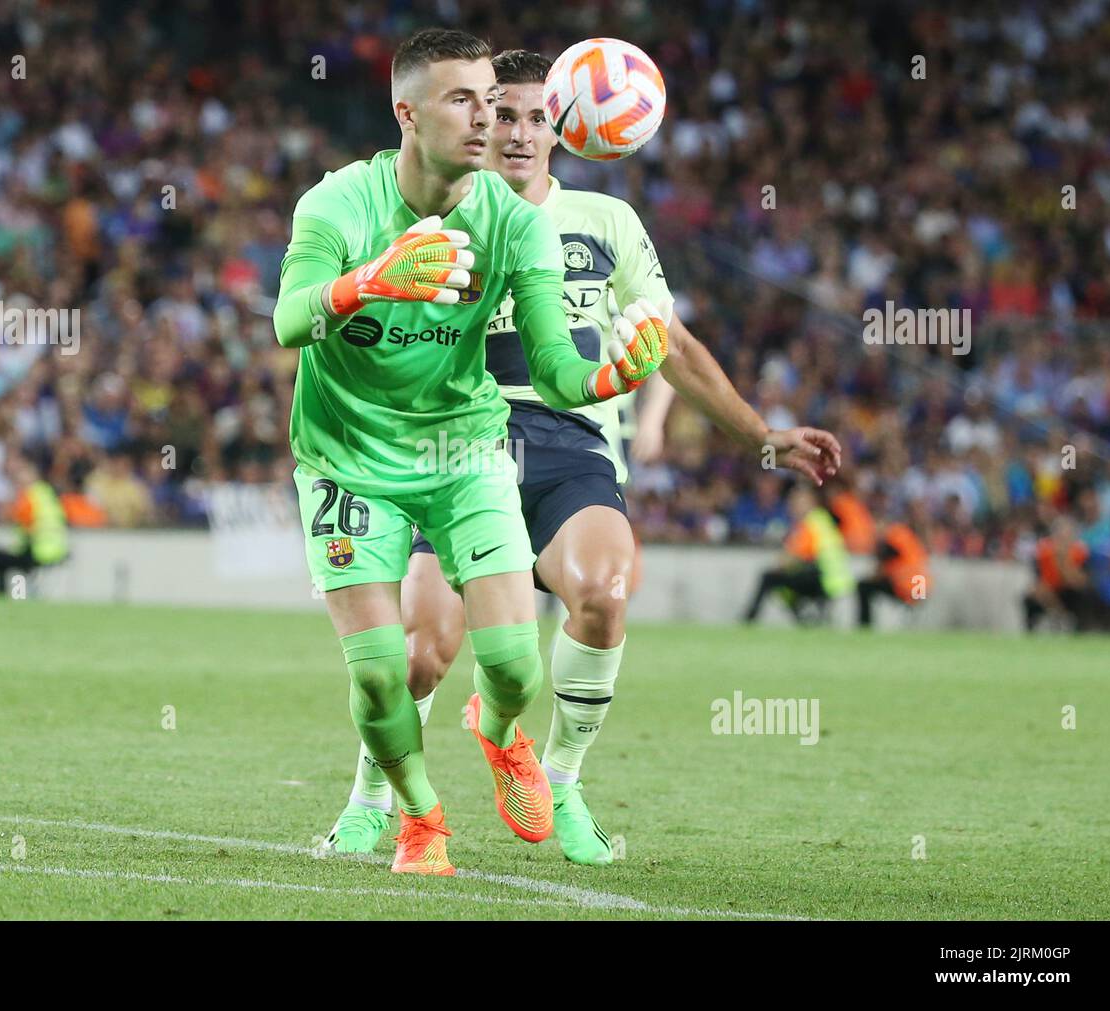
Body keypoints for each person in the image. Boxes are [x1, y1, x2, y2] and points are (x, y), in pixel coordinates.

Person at [319, 49, 840, 866]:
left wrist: (759, 435)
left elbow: (670, 343)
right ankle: (372, 795)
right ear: (477, 121)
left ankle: (559, 778)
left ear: (563, 125)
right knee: (420, 652)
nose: (521, 133)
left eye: (538, 117)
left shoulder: (607, 224)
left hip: (570, 446)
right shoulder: (428, 216)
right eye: (505, 115)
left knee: (605, 587)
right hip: (454, 448)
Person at [273, 29, 671, 876]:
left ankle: (508, 739)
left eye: (502, 104)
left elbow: (561, 368)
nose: (495, 123)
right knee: (393, 667)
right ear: (406, 112)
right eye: (472, 102)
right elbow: (285, 321)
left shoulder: (528, 226)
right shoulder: (339, 204)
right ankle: (409, 810)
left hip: (470, 449)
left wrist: (611, 377)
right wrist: (370, 281)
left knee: (517, 661)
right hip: (348, 457)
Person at [744, 486, 852, 624]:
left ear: (812, 502)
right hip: (834, 579)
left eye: (798, 502)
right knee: (780, 581)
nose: (793, 506)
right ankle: (806, 618)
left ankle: (749, 619)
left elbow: (795, 556)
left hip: (822, 579)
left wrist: (781, 562)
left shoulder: (811, 523)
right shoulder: (822, 519)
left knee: (769, 577)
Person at [0, 456, 69, 592]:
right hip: (54, 551)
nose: (17, 479)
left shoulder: (29, 496)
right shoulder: (46, 493)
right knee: (5, 562)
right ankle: (6, 596)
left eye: (20, 474)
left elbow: (16, 520)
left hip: (36, 552)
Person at [856, 519, 929, 627]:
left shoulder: (893, 538)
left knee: (863, 587)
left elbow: (882, 566)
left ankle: (865, 625)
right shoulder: (906, 537)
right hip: (920, 585)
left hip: (906, 585)